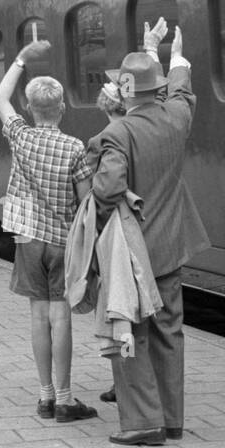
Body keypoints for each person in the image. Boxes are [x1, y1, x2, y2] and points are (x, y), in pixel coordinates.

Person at [92, 18, 209, 446]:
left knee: (130, 334)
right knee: (169, 331)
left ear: (125, 92)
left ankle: (143, 424)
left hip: (132, 254)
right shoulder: (177, 119)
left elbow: (107, 189)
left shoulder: (116, 133)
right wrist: (170, 55)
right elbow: (181, 93)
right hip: (171, 248)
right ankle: (173, 420)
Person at [0, 38, 97, 424]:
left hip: (27, 240)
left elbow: (0, 98)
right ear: (63, 109)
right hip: (63, 242)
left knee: (38, 317)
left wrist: (21, 58)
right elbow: (86, 202)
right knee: (61, 317)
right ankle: (67, 399)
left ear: (29, 108)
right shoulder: (75, 148)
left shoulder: (19, 136)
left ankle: (45, 396)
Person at [90, 80, 126, 406]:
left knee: (116, 315)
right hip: (147, 237)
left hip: (114, 241)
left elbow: (99, 194)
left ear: (104, 104)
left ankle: (122, 383)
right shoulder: (145, 135)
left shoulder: (100, 142)